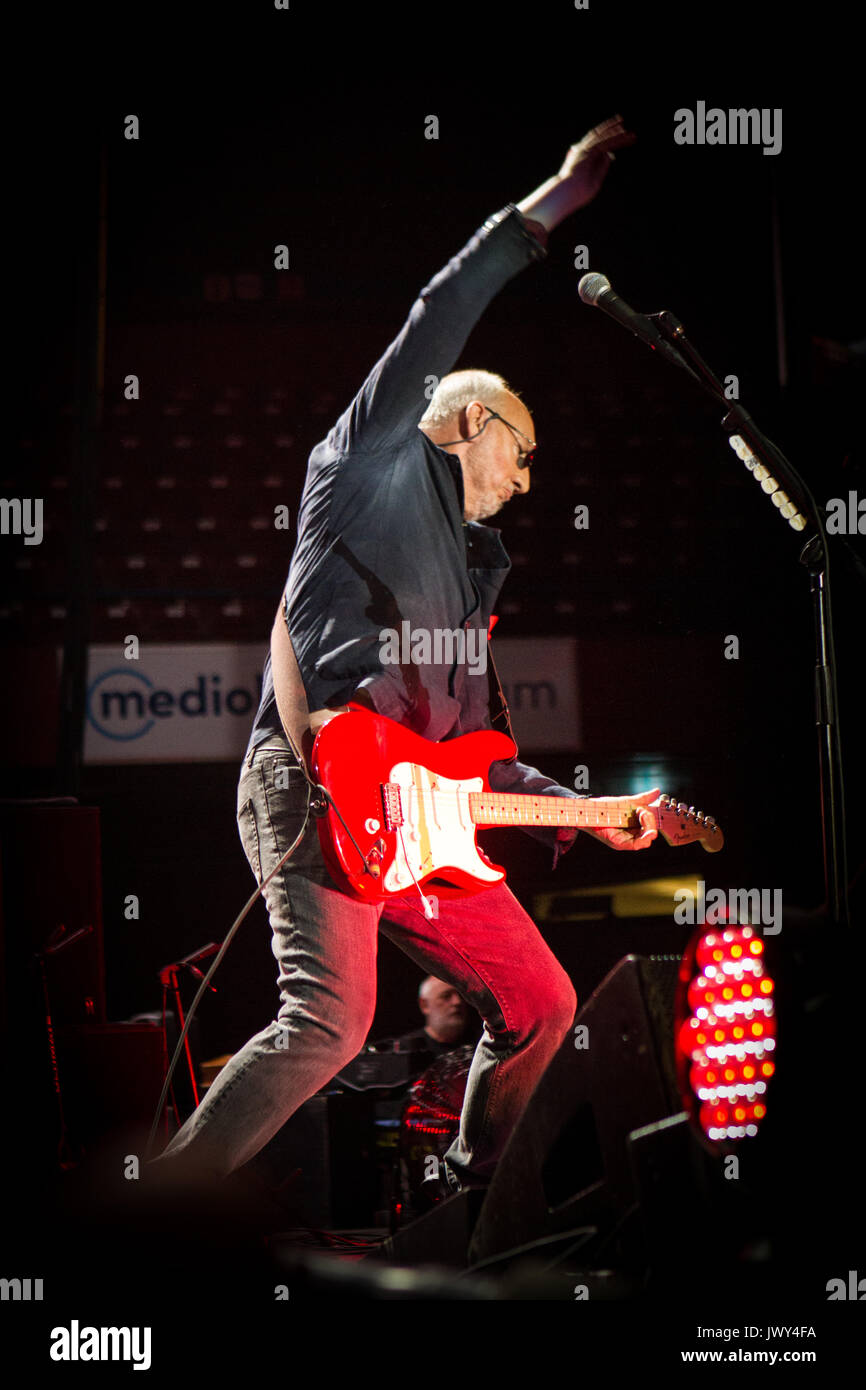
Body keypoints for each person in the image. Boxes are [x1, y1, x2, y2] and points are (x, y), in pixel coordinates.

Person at [154, 115, 659, 1199]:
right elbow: (440, 309)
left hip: (423, 818)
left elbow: (486, 762)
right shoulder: (370, 460)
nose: (526, 481)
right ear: (471, 422)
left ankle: (465, 1210)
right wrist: (548, 211)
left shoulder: (475, 578)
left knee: (544, 1003)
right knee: (331, 1021)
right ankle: (157, 1219)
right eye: (521, 452)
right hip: (318, 787)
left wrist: (590, 811)